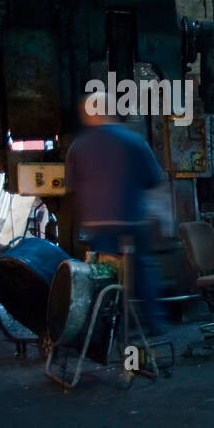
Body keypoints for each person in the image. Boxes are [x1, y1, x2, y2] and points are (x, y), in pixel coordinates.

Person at [64, 92, 167, 336]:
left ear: (92, 113)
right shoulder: (133, 141)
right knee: (141, 267)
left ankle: (111, 328)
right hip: (131, 218)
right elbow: (153, 179)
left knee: (104, 275)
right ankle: (153, 322)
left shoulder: (78, 146)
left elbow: (70, 186)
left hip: (96, 222)